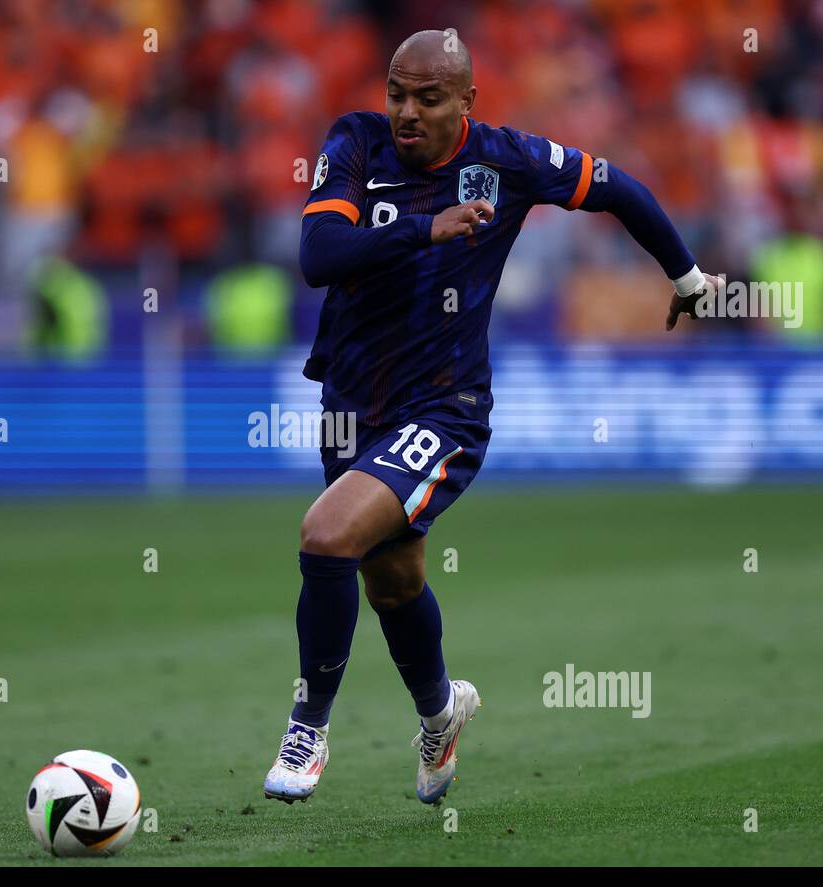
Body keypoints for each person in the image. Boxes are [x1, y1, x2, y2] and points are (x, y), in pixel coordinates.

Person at [263, 30, 720, 805]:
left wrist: (686, 274)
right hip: (350, 402)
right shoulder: (354, 142)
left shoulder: (510, 161)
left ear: (466, 102)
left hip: (447, 406)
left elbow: (615, 188)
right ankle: (442, 712)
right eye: (398, 93)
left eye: (429, 98)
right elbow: (320, 254)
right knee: (394, 580)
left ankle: (307, 730)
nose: (407, 111)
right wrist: (422, 227)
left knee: (326, 534)